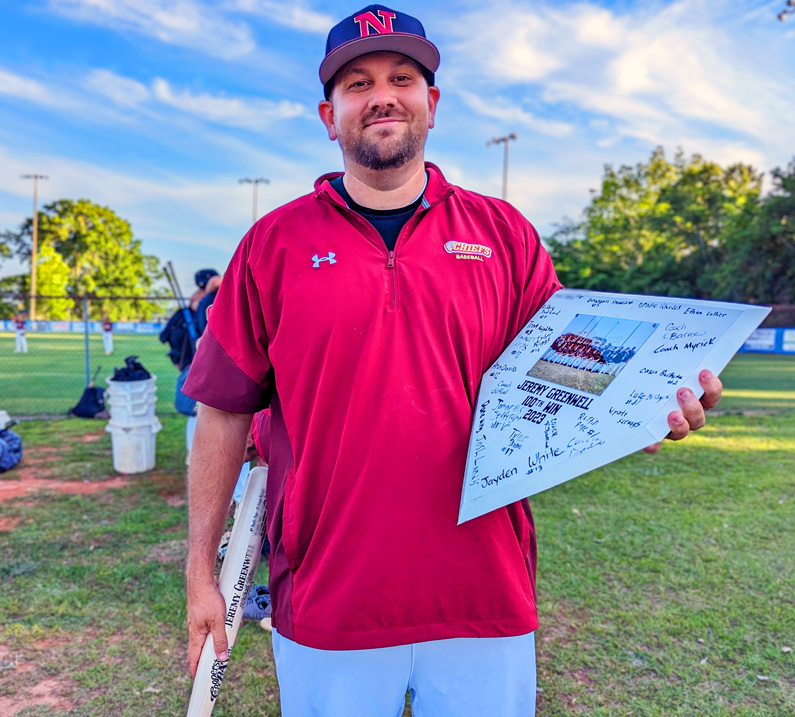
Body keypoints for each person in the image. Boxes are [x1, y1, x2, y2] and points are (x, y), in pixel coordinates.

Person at [183, 6, 723, 716]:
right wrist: (201, 571)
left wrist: (649, 407)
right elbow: (223, 409)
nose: (382, 94)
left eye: (402, 77)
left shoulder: (505, 235)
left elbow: (572, 377)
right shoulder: (272, 245)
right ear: (328, 112)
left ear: (431, 104)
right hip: (328, 599)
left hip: (483, 595)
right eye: (358, 82)